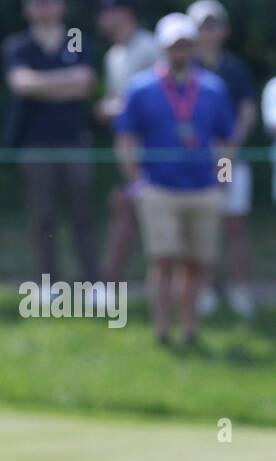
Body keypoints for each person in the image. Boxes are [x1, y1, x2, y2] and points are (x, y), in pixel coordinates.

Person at [116, 14, 233, 347]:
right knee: (163, 258)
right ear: (163, 48)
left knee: (196, 263)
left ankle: (191, 330)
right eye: (173, 46)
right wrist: (137, 181)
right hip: (159, 187)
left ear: (193, 47)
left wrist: (222, 180)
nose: (179, 51)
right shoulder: (141, 88)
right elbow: (126, 138)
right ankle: (162, 330)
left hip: (203, 188)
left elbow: (226, 141)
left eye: (185, 45)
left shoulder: (213, 88)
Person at [3, 0, 99, 288]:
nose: (44, 7)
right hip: (35, 145)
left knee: (83, 216)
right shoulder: (18, 45)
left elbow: (85, 83)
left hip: (74, 143)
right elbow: (21, 84)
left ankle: (93, 284)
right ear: (27, 9)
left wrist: (40, 85)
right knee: (42, 219)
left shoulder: (76, 39)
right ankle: (48, 284)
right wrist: (65, 85)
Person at [188, 0, 257, 319]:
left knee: (233, 222)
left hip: (227, 159)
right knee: (203, 224)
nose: (209, 32)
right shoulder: (186, 69)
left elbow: (246, 113)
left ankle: (240, 289)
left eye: (213, 25)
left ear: (224, 29)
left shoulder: (234, 68)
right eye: (203, 26)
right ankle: (205, 289)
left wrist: (228, 149)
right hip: (196, 162)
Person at [96, 0, 161, 283]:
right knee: (126, 211)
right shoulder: (113, 55)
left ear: (123, 13)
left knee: (141, 215)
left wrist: (119, 108)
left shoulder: (150, 46)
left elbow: (162, 96)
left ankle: (109, 282)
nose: (101, 18)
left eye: (105, 11)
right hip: (128, 152)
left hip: (155, 152)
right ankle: (109, 284)